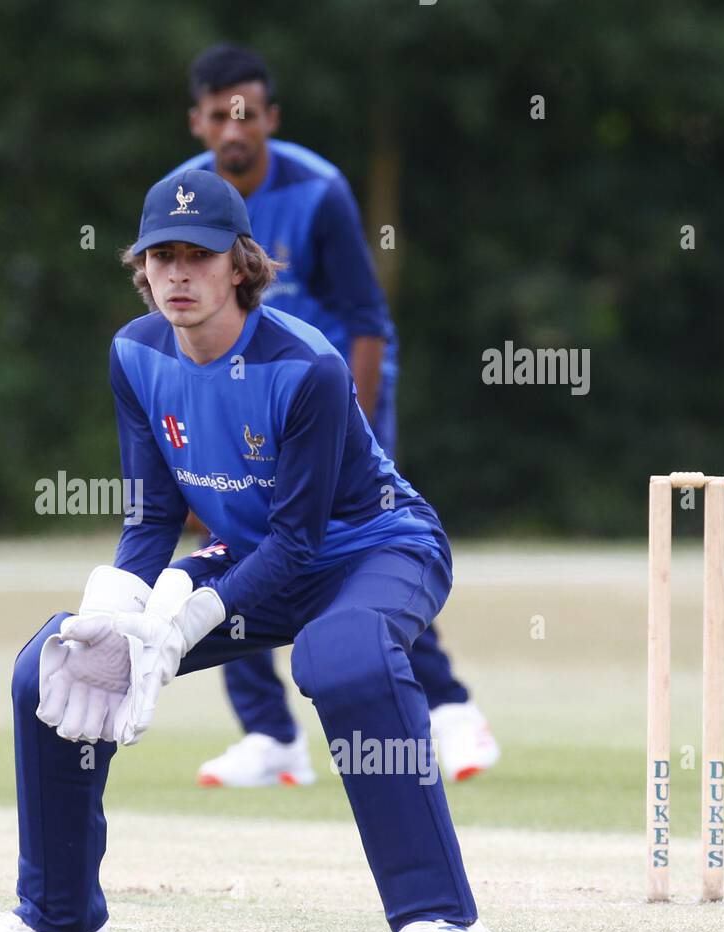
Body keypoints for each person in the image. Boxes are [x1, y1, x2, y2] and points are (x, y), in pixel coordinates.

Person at [0, 169, 497, 932]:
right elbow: (150, 521)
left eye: (198, 255)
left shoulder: (305, 364)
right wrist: (113, 615)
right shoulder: (135, 354)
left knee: (340, 656)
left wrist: (178, 631)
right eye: (160, 255)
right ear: (140, 268)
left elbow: (299, 543)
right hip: (259, 554)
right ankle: (60, 914)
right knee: (53, 666)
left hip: (377, 547)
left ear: (240, 265)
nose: (177, 272)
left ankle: (442, 918)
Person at [168, 44, 498, 788]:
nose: (234, 127)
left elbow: (366, 319)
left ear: (271, 118)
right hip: (234, 406)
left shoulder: (320, 190)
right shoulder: (178, 199)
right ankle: (269, 735)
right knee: (233, 550)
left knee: (364, 550)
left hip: (331, 397)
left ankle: (449, 707)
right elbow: (169, 327)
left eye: (247, 112)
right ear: (197, 122)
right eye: (219, 114)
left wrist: (360, 437)